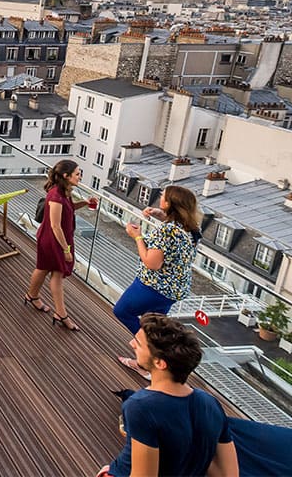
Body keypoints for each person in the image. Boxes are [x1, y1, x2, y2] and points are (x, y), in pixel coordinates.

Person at [100, 314, 238, 477]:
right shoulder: (210, 404)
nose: (131, 344)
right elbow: (228, 474)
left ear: (160, 362)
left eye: (138, 343)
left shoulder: (140, 406)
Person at [115, 186, 203, 379]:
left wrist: (136, 236)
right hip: (174, 288)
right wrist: (160, 215)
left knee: (122, 311)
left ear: (169, 203)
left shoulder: (167, 231)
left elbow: (152, 263)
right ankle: (145, 365)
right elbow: (174, 231)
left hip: (153, 285)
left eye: (163, 197)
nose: (160, 198)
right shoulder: (192, 228)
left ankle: (148, 352)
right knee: (153, 325)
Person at [25, 159, 93, 331]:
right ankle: (61, 314)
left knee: (46, 270)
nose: (80, 177)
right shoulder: (55, 195)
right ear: (66, 176)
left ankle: (33, 296)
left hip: (59, 238)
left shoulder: (65, 191)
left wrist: (84, 203)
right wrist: (66, 250)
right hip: (53, 239)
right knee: (53, 272)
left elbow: (68, 209)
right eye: (77, 174)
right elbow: (55, 225)